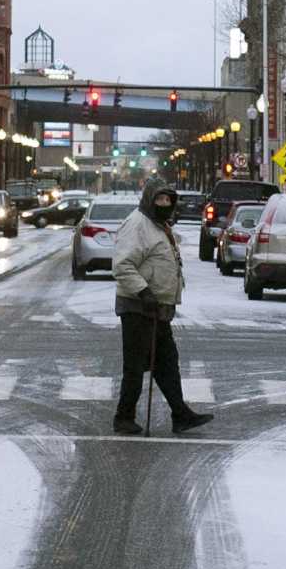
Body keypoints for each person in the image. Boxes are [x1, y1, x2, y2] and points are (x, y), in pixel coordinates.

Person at [111, 181, 212, 437]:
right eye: (160, 200)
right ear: (149, 200)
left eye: (168, 200)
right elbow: (122, 265)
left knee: (166, 363)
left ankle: (180, 414)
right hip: (138, 307)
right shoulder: (138, 224)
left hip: (157, 308)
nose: (165, 204)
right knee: (135, 366)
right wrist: (143, 291)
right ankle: (124, 417)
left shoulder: (159, 225)